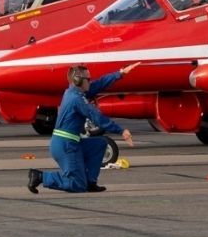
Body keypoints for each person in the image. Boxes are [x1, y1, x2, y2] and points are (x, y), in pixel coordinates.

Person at [27, 63, 138, 194]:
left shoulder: (75, 92)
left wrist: (120, 74)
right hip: (66, 146)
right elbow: (97, 117)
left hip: (71, 142)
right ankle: (40, 177)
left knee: (100, 144)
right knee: (77, 185)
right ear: (78, 80)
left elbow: (100, 83)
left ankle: (90, 182)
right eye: (88, 79)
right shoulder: (77, 99)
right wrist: (121, 130)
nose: (91, 82)